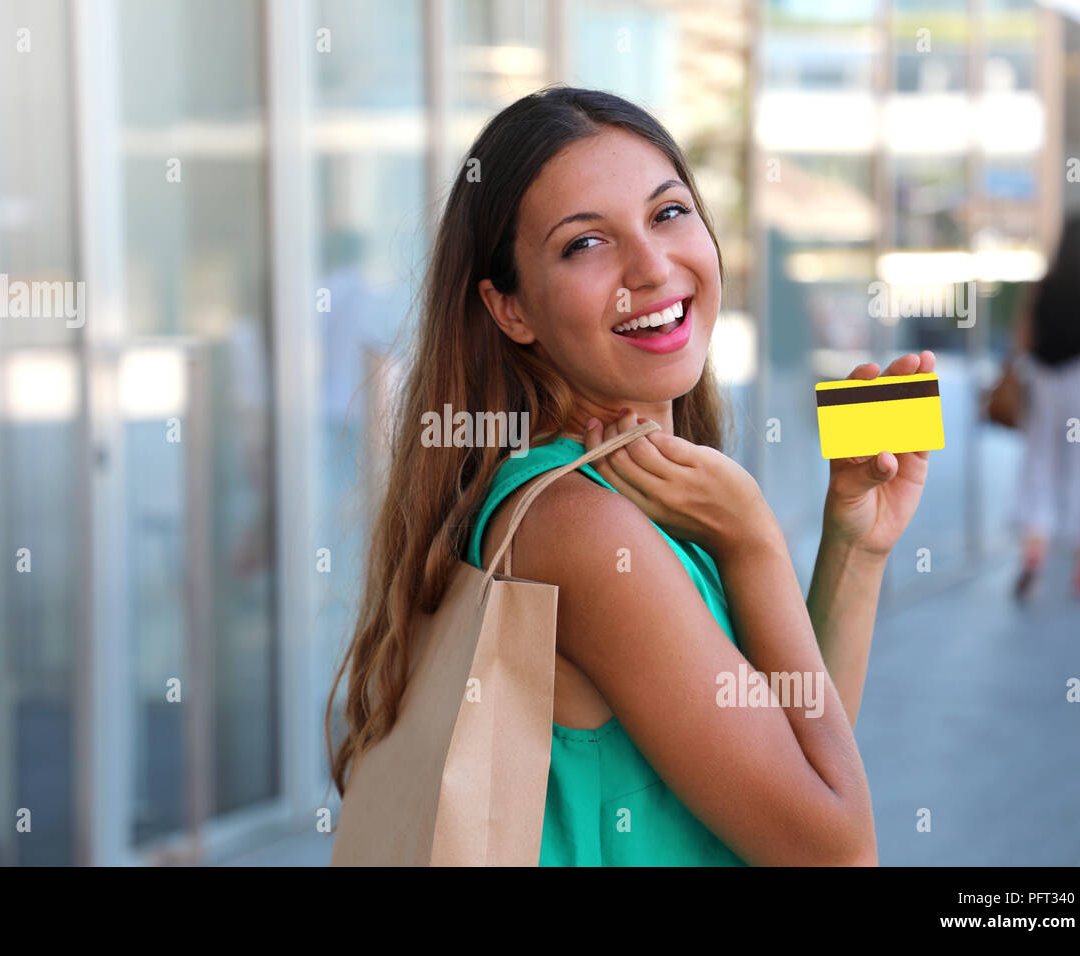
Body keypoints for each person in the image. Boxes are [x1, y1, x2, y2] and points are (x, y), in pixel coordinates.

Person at [325, 87, 935, 865]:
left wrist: (857, 544)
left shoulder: (634, 499)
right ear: (510, 309)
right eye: (585, 244)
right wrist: (753, 541)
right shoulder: (584, 529)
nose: (650, 266)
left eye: (669, 212)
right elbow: (834, 850)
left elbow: (792, 761)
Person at [1011, 212, 1080, 601]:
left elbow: (1023, 339)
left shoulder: (1043, 285)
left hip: (1045, 383)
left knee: (1039, 464)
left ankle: (1034, 553)